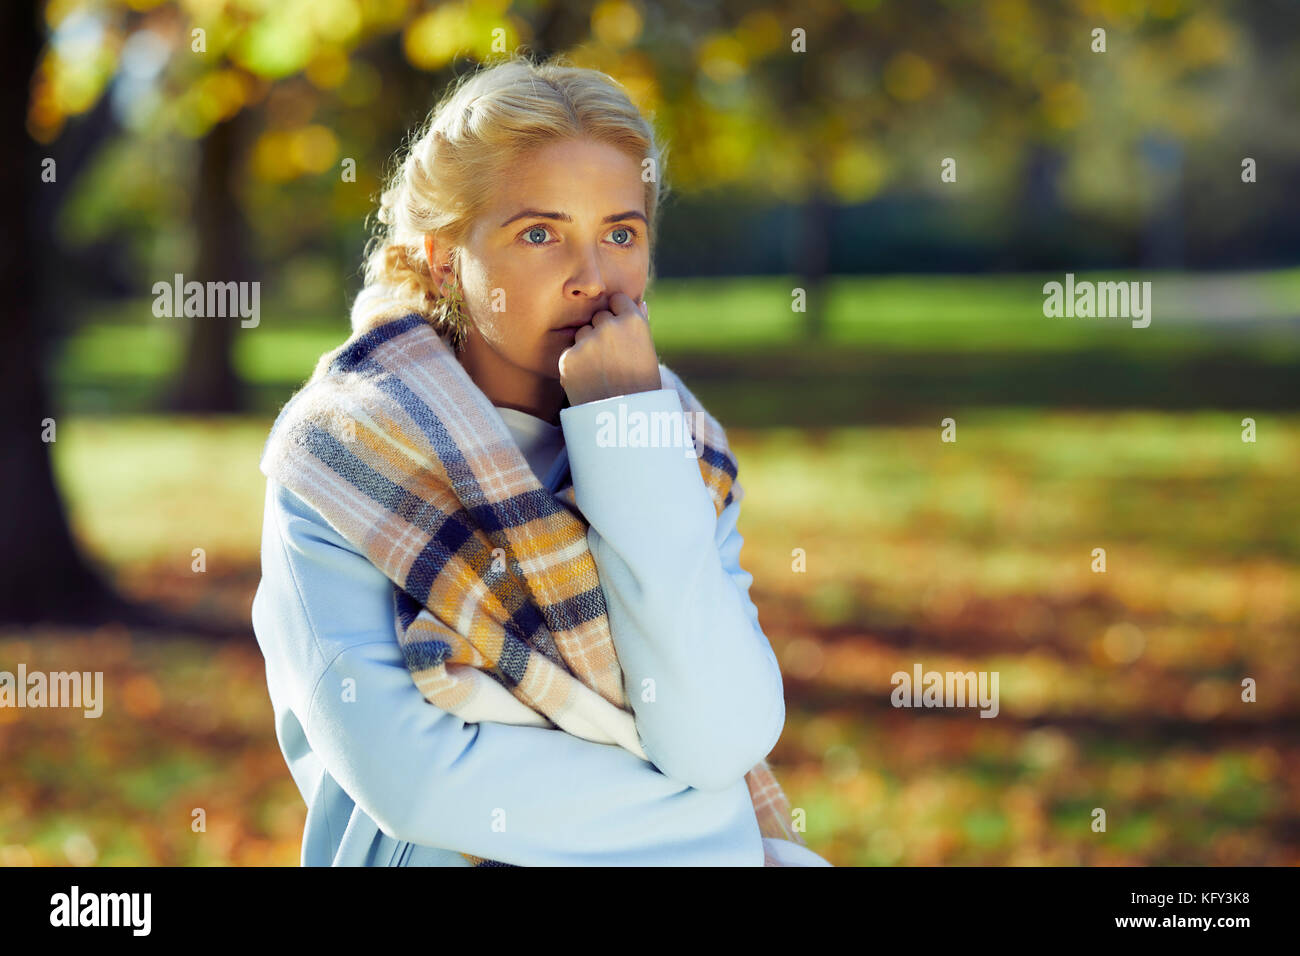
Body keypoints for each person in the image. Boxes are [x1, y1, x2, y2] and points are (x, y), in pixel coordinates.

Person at [250, 52, 829, 866]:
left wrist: (626, 430)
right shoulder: (345, 455)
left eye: (620, 233)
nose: (592, 277)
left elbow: (716, 738)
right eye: (539, 233)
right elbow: (417, 786)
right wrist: (718, 831)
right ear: (446, 255)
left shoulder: (682, 446)